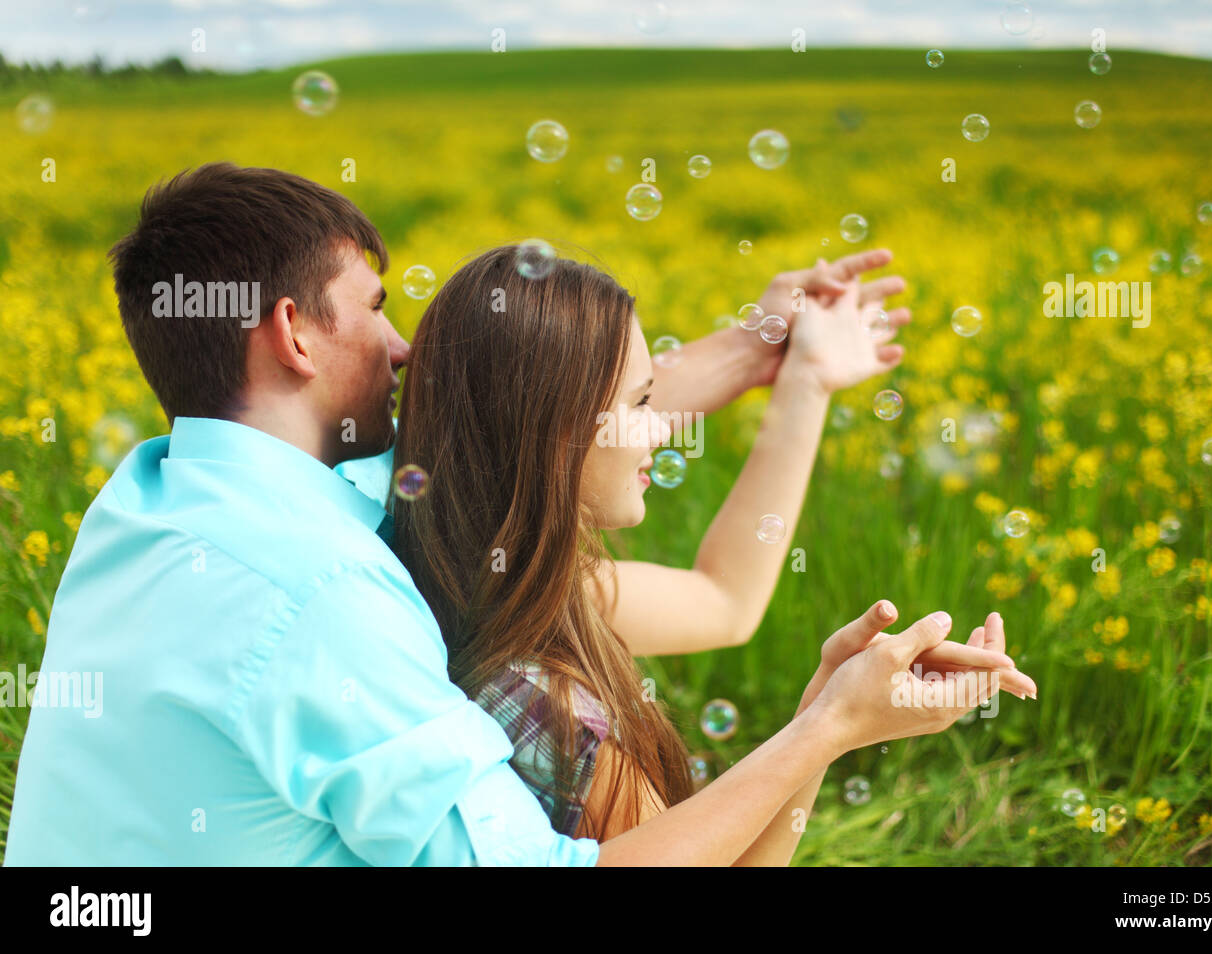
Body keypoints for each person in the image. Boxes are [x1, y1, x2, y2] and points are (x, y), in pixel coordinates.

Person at [5, 162, 1025, 867]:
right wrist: (829, 727)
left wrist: (762, 347)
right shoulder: (325, 600)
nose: (406, 350)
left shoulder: (165, 493)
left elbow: (519, 424)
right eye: (374, 306)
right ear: (294, 336)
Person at [386, 246, 1036, 856]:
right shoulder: (550, 711)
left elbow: (724, 600)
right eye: (643, 403)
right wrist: (834, 723)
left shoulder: (481, 588)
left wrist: (828, 705)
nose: (664, 429)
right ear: (553, 432)